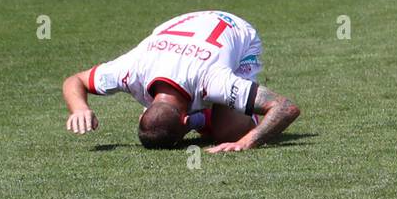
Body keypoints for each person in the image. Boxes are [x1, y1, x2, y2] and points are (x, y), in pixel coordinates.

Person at [62, 10, 300, 151]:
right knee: (209, 122)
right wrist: (79, 108)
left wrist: (246, 142)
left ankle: (208, 119)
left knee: (228, 133)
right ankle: (203, 117)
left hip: (237, 30)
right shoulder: (130, 71)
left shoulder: (214, 81)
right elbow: (75, 80)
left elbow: (286, 108)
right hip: (191, 25)